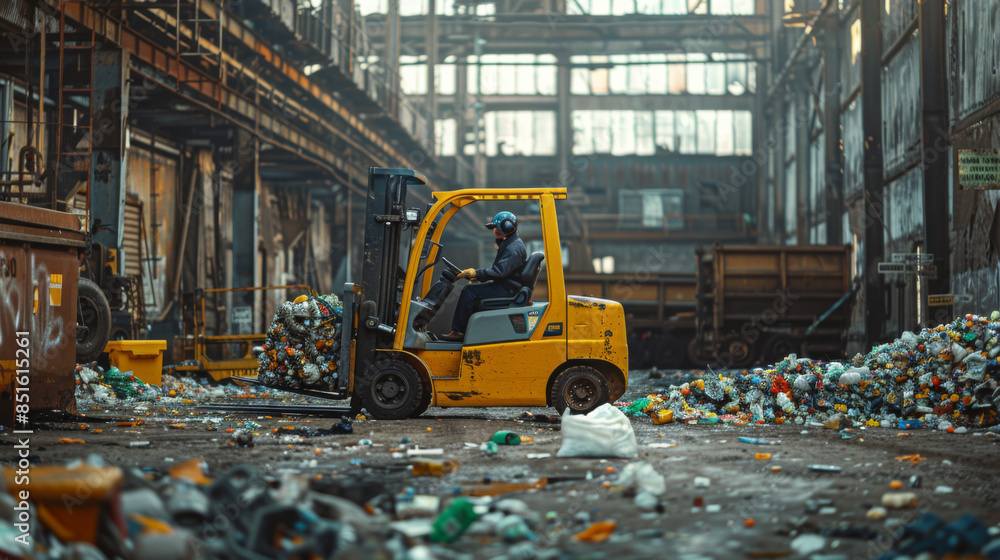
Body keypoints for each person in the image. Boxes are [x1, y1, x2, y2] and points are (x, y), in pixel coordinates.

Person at [441, 211, 527, 341]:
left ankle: (459, 332)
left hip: (506, 290)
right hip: (506, 286)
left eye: (496, 227)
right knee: (473, 290)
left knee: (469, 291)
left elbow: (499, 272)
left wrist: (477, 273)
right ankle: (473, 332)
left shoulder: (513, 248)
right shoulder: (510, 243)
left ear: (507, 226)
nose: (495, 231)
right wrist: (477, 277)